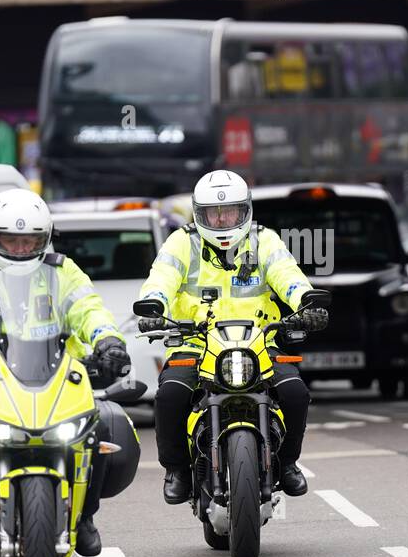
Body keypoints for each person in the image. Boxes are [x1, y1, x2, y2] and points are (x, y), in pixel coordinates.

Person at [0, 188, 131, 557]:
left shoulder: (61, 272)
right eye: (9, 240)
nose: (18, 249)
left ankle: (84, 518)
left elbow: (89, 309)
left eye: (28, 240)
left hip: (54, 384)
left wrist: (108, 341)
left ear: (43, 239)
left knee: (97, 429)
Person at [138, 170, 327, 505]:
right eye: (214, 213)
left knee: (295, 392)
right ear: (199, 214)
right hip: (195, 343)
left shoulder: (264, 240)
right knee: (169, 396)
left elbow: (288, 275)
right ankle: (177, 469)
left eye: (230, 212)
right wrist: (154, 304)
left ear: (246, 211)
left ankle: (287, 463)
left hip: (260, 343)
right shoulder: (182, 242)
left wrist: (306, 303)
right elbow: (162, 277)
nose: (223, 220)